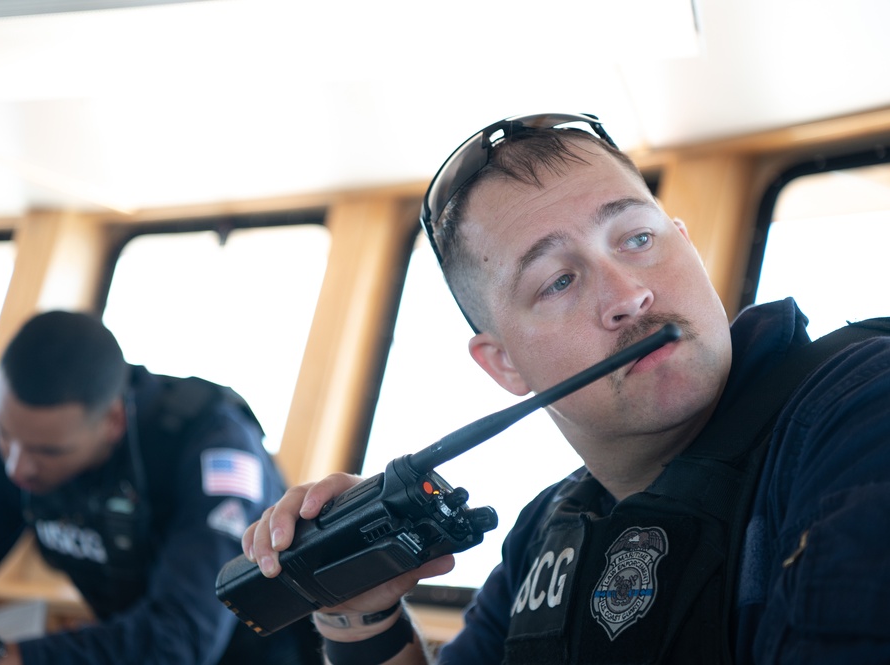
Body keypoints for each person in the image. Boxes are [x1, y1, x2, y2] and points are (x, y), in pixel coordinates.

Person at [240, 113, 890, 664]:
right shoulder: (548, 530)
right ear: (504, 366)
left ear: (685, 246)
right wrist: (362, 614)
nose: (627, 294)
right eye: (558, 280)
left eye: (637, 238)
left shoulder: (861, 410)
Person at [0, 310, 321, 665]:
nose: (18, 467)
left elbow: (181, 636)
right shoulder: (18, 445)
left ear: (112, 422)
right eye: (3, 433)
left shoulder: (213, 447)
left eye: (48, 451)